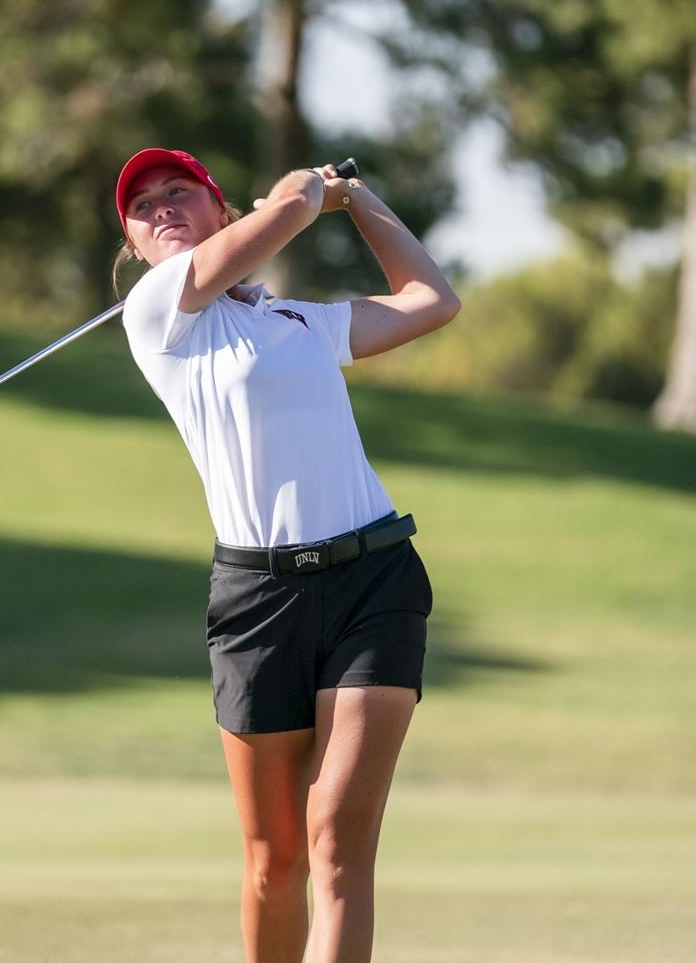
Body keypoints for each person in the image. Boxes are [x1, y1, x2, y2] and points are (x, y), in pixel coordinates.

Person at [112, 148, 461, 963]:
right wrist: (304, 194)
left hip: (374, 578)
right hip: (256, 602)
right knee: (275, 862)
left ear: (219, 208)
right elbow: (284, 219)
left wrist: (357, 197)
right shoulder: (157, 306)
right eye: (142, 205)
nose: (161, 206)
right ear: (132, 245)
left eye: (180, 191)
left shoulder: (300, 322)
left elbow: (432, 300)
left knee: (337, 838)